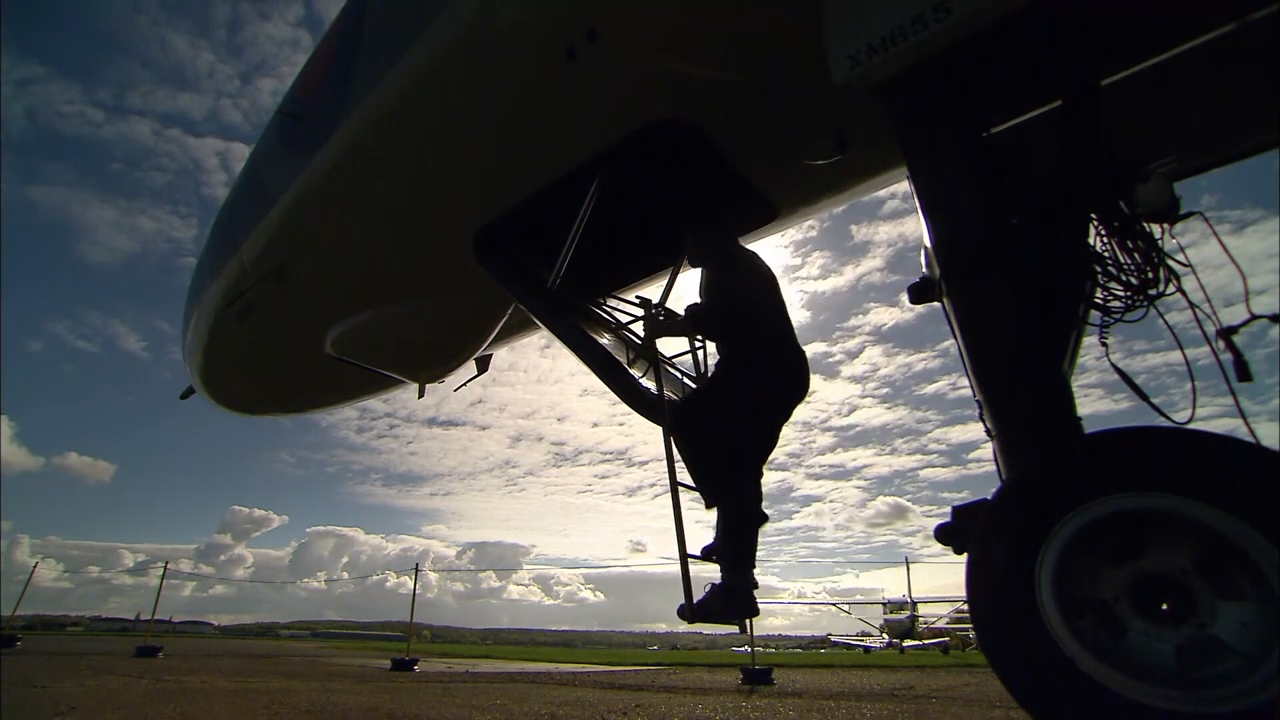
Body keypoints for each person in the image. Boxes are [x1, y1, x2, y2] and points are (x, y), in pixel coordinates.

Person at [646, 230, 810, 625]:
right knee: (740, 469)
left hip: (758, 372)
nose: (686, 255)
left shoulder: (732, 267)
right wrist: (687, 321)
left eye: (690, 244)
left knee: (692, 422)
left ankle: (736, 564)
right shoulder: (732, 265)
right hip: (771, 372)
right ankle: (736, 551)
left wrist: (674, 327)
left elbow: (723, 320)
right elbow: (720, 318)